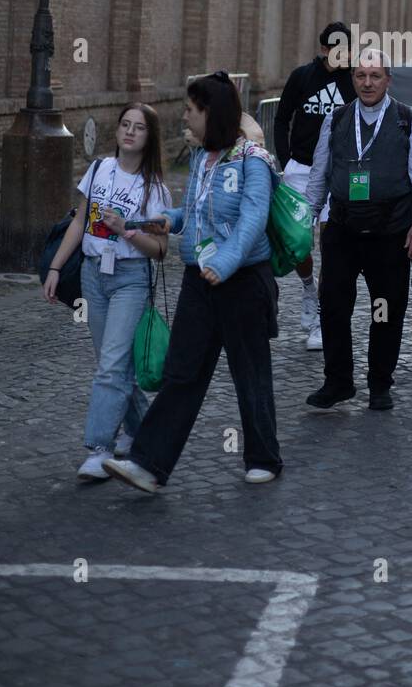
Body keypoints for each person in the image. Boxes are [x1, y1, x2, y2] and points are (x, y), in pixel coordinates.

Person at [105, 72, 283, 491]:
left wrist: (225, 262)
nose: (184, 115)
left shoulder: (252, 160)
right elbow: (196, 210)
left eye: (190, 109)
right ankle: (148, 464)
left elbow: (253, 220)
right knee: (182, 372)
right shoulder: (203, 158)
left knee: (250, 372)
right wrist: (173, 219)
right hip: (197, 280)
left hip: (242, 281)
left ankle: (264, 457)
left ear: (210, 112)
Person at [304, 49, 412, 411]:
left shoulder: (409, 121)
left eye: (375, 76)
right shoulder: (336, 119)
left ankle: (380, 383)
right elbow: (320, 172)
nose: (367, 83)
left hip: (390, 231)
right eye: (361, 76)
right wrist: (307, 218)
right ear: (353, 79)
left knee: (385, 309)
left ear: (387, 80)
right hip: (343, 228)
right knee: (333, 306)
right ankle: (338, 382)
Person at [43, 104, 170, 482]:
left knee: (111, 365)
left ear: (150, 137)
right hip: (93, 276)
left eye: (139, 128)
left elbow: (161, 250)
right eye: (125, 125)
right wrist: (53, 268)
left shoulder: (155, 188)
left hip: (131, 278)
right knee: (112, 365)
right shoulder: (99, 169)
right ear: (116, 132)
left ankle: (99, 449)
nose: (130, 132)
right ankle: (146, 431)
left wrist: (128, 231)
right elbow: (79, 223)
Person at [273, 22, 356, 349]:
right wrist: (285, 160)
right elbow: (281, 119)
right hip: (299, 170)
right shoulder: (302, 77)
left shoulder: (353, 81)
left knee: (331, 246)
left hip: (335, 175)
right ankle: (308, 287)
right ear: (323, 49)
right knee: (297, 244)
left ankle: (321, 316)